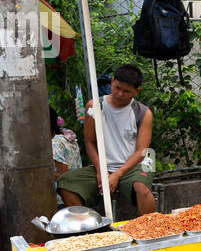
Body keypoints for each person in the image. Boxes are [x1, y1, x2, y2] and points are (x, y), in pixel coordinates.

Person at [56, 65, 156, 215]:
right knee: (66, 182)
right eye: (117, 88)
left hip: (138, 164)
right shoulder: (94, 106)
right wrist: (100, 171)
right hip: (103, 165)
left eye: (127, 91)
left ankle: (151, 229)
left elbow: (142, 151)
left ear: (137, 91)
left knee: (141, 187)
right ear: (112, 81)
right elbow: (89, 142)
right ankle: (87, 229)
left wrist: (117, 174)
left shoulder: (144, 113)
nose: (120, 94)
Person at [50, 107, 81, 182]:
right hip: (78, 184)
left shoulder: (54, 144)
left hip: (65, 190)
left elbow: (64, 176)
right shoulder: (66, 135)